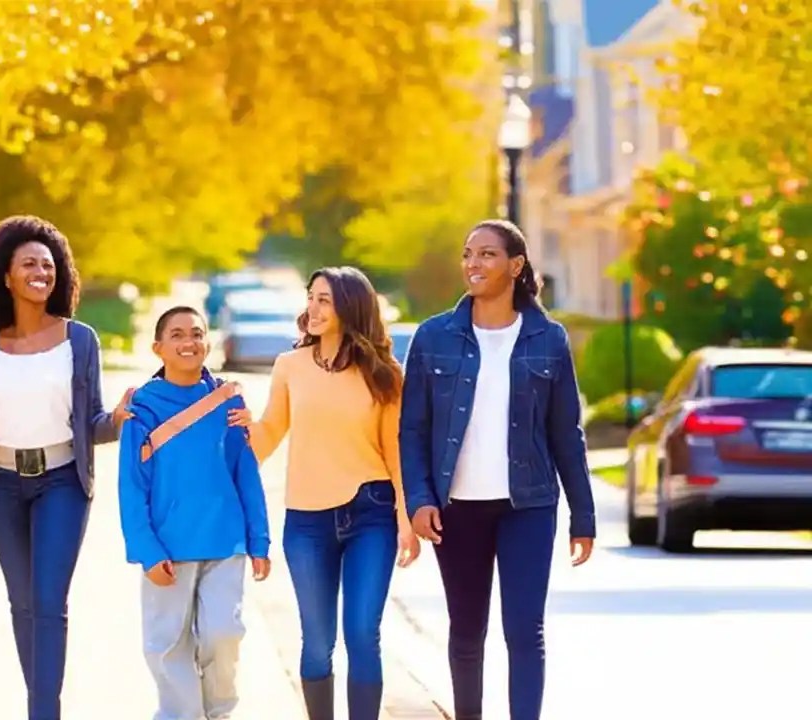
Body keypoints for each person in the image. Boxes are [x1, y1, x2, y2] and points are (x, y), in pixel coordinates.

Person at [0, 215, 131, 720]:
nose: (41, 272)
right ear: (6, 275)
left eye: (48, 264)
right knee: (21, 602)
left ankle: (44, 713)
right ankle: (39, 706)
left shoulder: (79, 340)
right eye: (29, 264)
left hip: (63, 482)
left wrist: (122, 420)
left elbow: (91, 423)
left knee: (48, 600)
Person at [399, 219, 596, 720]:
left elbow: (566, 432)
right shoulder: (433, 337)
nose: (473, 263)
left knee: (524, 629)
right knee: (466, 631)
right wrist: (420, 499)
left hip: (527, 506)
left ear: (515, 265)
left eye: (487, 254)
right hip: (456, 508)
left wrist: (583, 515)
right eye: (468, 253)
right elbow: (413, 429)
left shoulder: (547, 338)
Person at [235, 266, 421, 720]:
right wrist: (239, 428)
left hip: (371, 512)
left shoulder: (382, 374)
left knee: (362, 633)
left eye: (325, 300)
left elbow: (394, 452)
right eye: (311, 298)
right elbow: (270, 433)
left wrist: (405, 521)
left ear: (350, 307)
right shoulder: (289, 366)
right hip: (307, 521)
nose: (313, 309)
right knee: (317, 644)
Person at [117, 306, 271, 720]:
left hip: (226, 540)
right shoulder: (143, 408)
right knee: (167, 644)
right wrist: (145, 549)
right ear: (158, 347)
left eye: (197, 334)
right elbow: (132, 486)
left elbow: (246, 474)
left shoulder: (228, 400)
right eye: (178, 335)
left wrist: (260, 540)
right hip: (168, 546)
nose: (189, 342)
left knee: (224, 634)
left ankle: (218, 713)